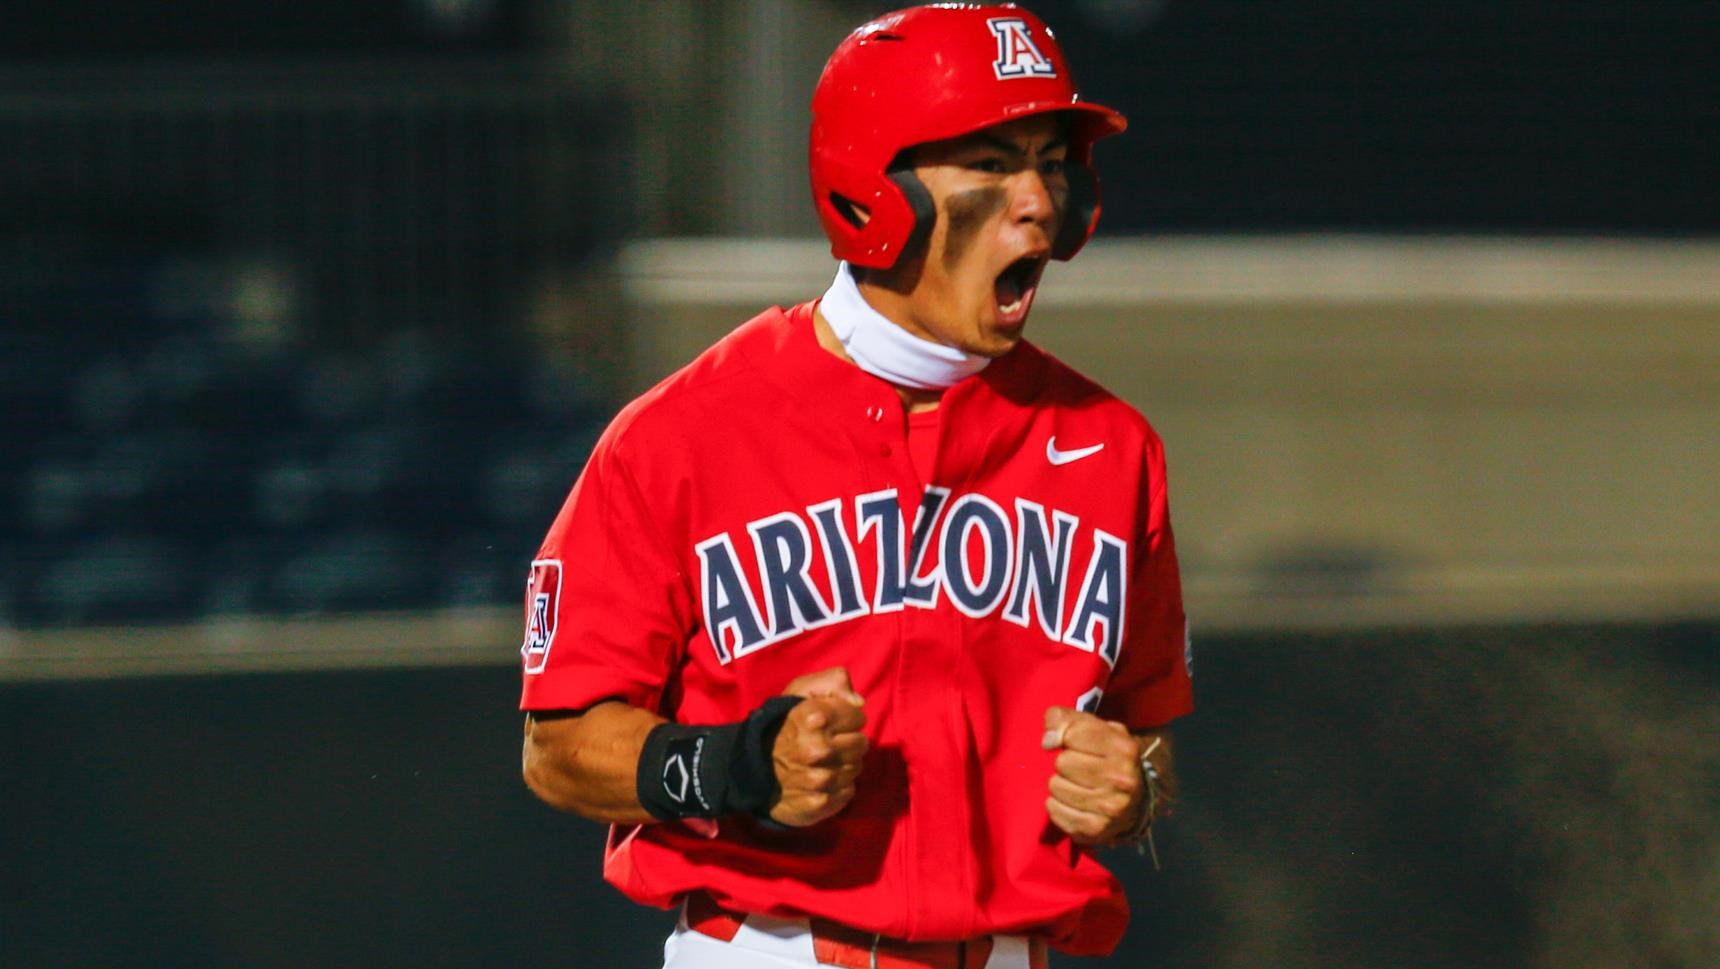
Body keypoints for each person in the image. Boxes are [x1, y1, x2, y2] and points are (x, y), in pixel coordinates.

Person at [519, 5, 1193, 967]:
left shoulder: (1112, 447)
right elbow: (559, 745)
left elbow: (1148, 734)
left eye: (1052, 161)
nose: (1041, 199)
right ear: (871, 190)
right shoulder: (681, 435)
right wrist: (736, 765)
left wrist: (1138, 790)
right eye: (994, 163)